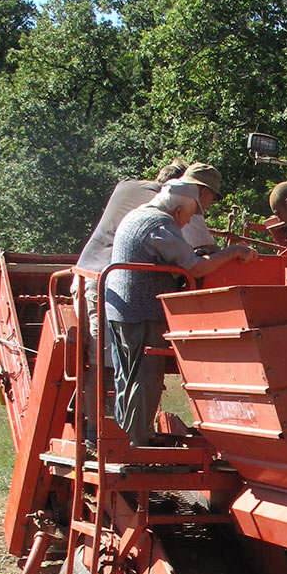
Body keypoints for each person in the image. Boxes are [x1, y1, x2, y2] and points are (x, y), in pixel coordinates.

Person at [104, 173, 254, 444]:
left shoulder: (138, 214)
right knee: (146, 374)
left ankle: (128, 436)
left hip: (122, 308)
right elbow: (194, 267)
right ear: (177, 210)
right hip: (142, 309)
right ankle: (139, 441)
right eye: (187, 217)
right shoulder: (160, 223)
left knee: (128, 374)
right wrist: (232, 253)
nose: (186, 223)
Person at [75, 162, 182, 440]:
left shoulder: (130, 187)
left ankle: (114, 430)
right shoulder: (159, 206)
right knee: (105, 359)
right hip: (103, 282)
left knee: (116, 362)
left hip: (103, 278)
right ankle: (96, 433)